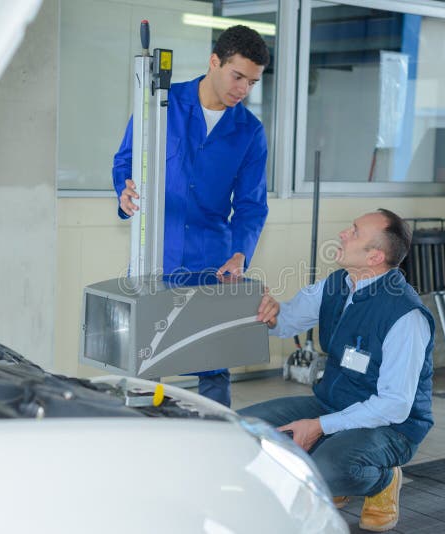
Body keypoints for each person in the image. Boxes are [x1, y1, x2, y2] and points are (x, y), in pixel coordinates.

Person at [244, 209, 434, 533]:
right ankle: (340, 460)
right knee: (245, 430)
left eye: (355, 232)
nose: (344, 233)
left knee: (322, 471)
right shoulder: (337, 285)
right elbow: (287, 319)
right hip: (333, 404)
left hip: (393, 426)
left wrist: (318, 426)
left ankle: (383, 480)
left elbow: (394, 405)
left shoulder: (405, 316)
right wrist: (272, 313)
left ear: (375, 256)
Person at [112, 25, 270, 407]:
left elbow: (250, 205)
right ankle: (146, 436)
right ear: (214, 62)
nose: (243, 90)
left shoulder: (249, 132)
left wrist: (240, 253)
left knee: (213, 366)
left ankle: (216, 439)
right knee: (145, 360)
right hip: (154, 255)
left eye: (252, 82)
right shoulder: (159, 103)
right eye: (238, 77)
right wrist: (125, 190)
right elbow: (125, 160)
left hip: (212, 263)